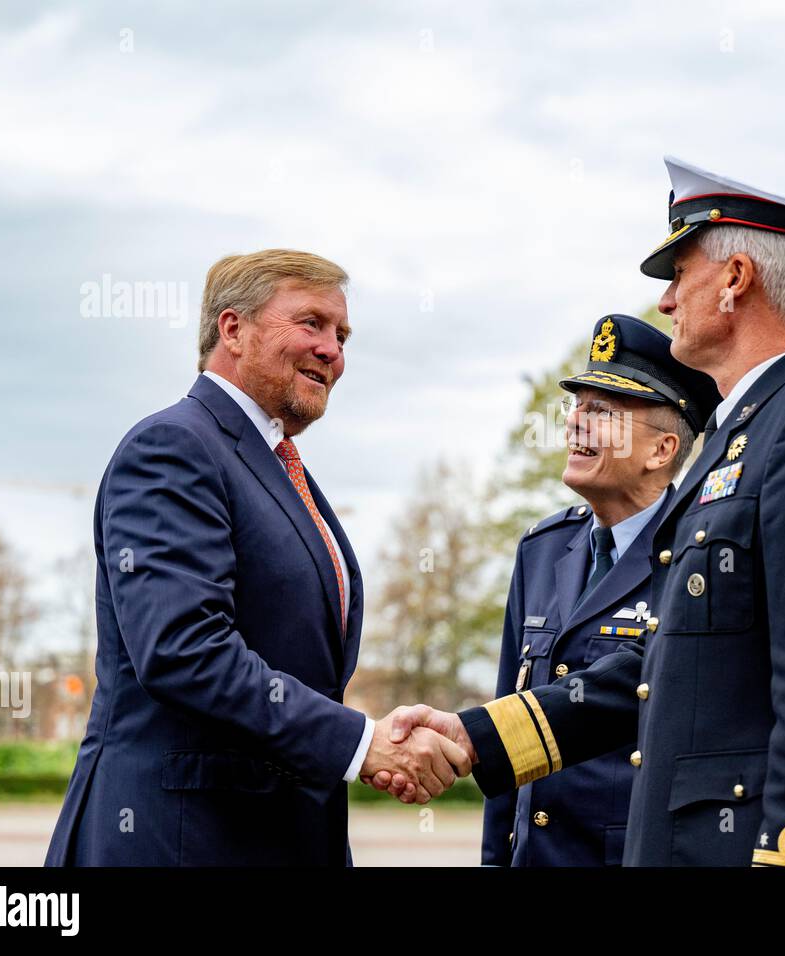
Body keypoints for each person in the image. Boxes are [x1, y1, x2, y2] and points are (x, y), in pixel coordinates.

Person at [373, 158, 785, 867]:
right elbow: (661, 664)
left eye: (678, 273)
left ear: (735, 279)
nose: (667, 301)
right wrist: (474, 737)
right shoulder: (744, 434)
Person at [45, 249, 469, 867]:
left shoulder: (275, 465)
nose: (334, 351)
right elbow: (184, 650)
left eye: (342, 335)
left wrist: (366, 744)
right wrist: (360, 743)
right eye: (312, 323)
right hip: (177, 842)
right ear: (233, 329)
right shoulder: (173, 446)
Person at [482, 314, 720, 866]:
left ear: (661, 451)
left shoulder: (701, 554)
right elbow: (507, 715)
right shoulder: (542, 548)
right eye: (577, 409)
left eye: (602, 414)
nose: (575, 426)